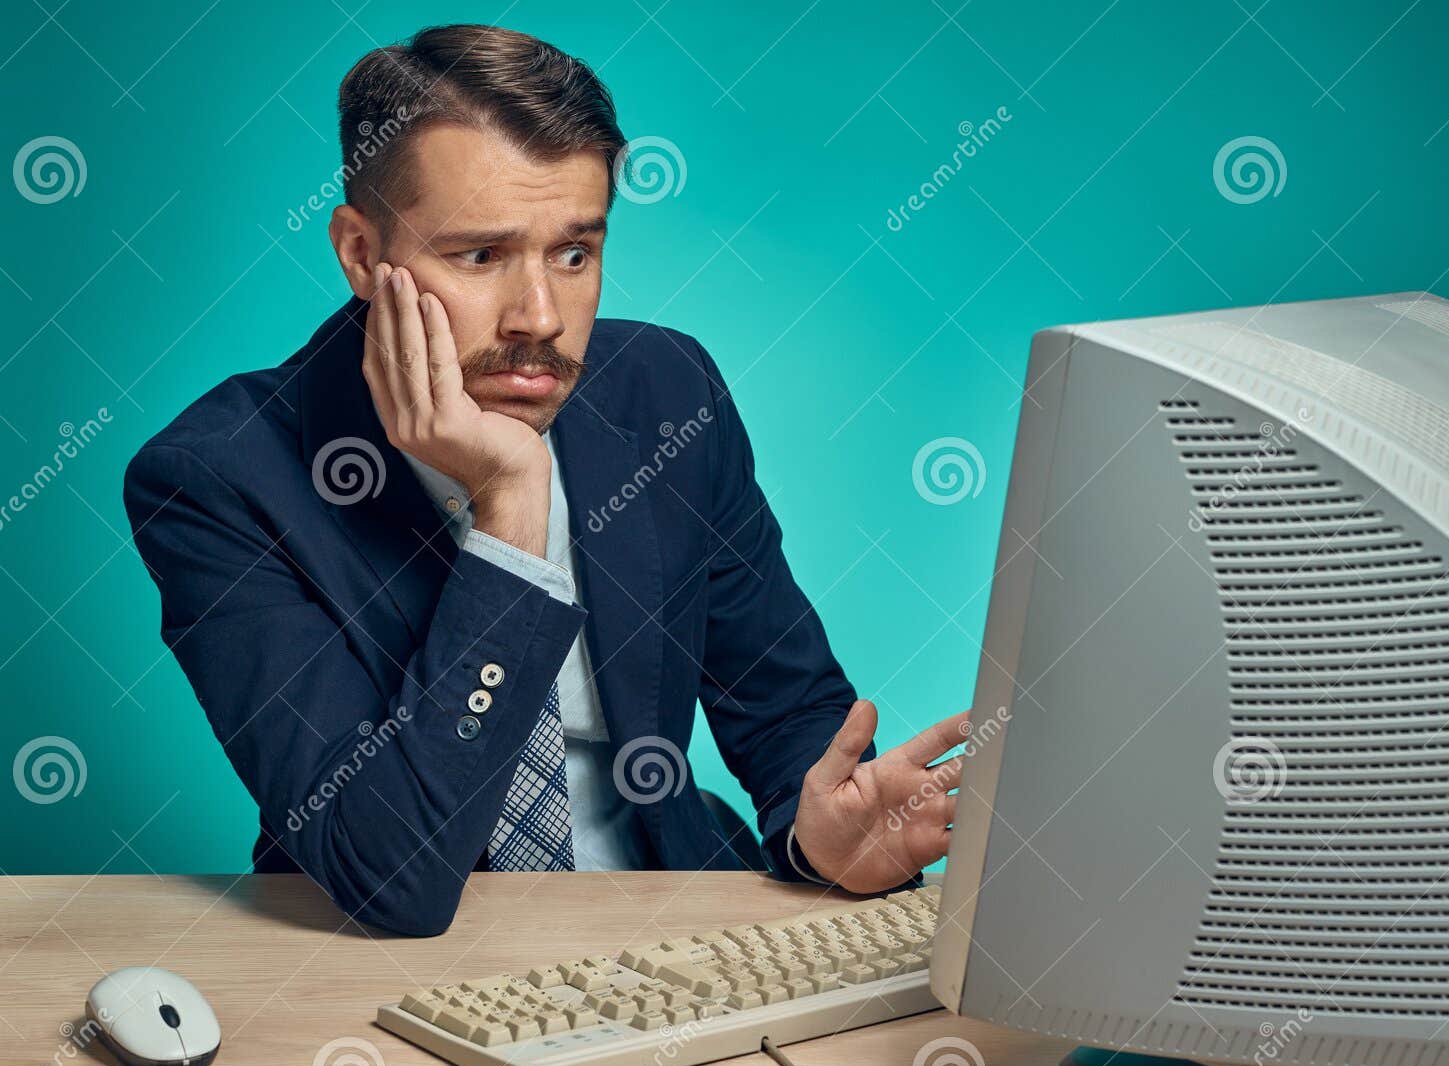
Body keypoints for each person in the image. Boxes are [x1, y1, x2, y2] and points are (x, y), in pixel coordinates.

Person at [124, 24, 967, 936]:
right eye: (480, 255)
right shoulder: (218, 478)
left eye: (574, 254)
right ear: (363, 255)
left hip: (668, 925)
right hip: (385, 966)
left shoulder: (666, 393)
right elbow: (386, 878)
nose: (540, 318)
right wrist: (512, 509)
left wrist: (818, 841)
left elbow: (787, 708)